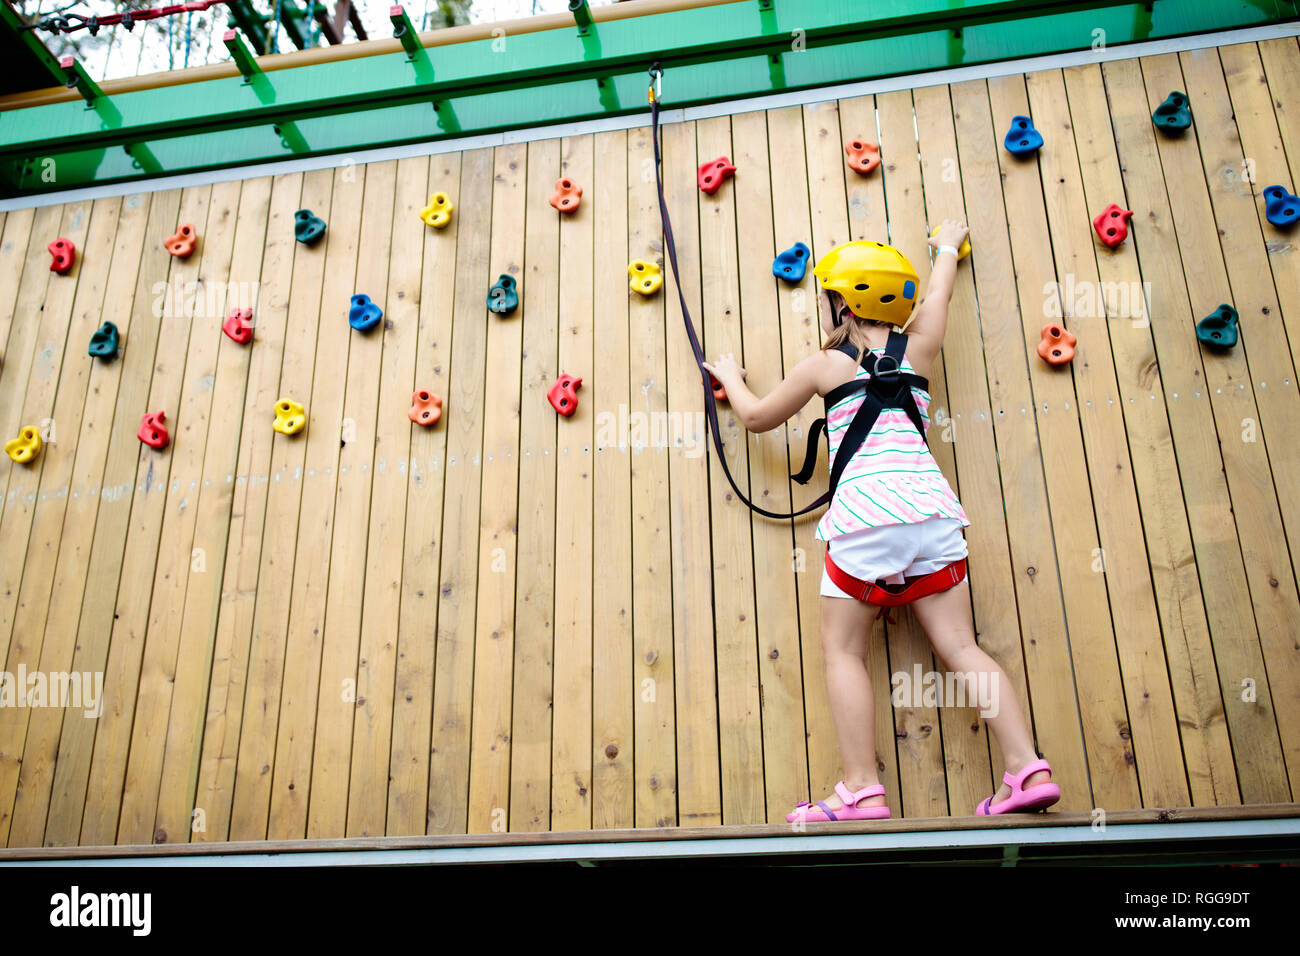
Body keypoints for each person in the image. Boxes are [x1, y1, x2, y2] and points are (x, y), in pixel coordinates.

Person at [703, 221, 1061, 820]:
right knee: (962, 646)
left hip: (866, 517)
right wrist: (947, 246)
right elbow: (940, 296)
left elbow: (760, 419)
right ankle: (1026, 767)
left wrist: (734, 382)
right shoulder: (919, 348)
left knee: (844, 652)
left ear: (841, 301)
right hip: (931, 514)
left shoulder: (824, 366)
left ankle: (861, 789)